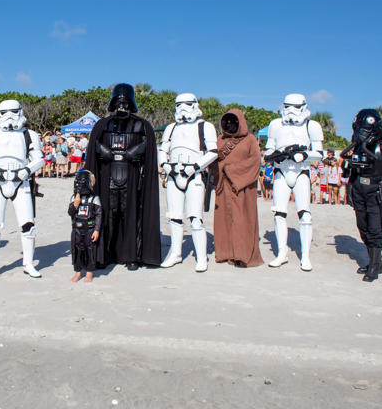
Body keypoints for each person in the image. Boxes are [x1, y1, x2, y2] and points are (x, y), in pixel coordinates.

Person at [85, 83, 161, 270]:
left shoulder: (142, 126)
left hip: (132, 176)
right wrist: (103, 150)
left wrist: (134, 152)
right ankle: (104, 254)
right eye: (119, 101)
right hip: (107, 177)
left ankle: (131, 255)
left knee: (130, 215)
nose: (122, 105)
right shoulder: (102, 125)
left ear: (131, 103)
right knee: (107, 216)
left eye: (125, 102)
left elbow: (148, 148)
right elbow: (93, 147)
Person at [0, 100, 45, 281]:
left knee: (28, 224)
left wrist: (26, 171)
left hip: (21, 181)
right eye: (5, 112)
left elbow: (39, 158)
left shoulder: (29, 134)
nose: (10, 116)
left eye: (14, 111)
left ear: (20, 111)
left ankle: (28, 263)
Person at [157, 93, 218, 271]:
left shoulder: (205, 126)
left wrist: (197, 166)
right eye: (179, 105)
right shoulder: (171, 128)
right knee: (174, 217)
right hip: (173, 174)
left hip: (195, 175)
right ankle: (175, 253)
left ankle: (201, 257)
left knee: (196, 218)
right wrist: (164, 165)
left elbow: (213, 151)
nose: (183, 108)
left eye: (187, 104)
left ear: (195, 105)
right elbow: (163, 148)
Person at [264, 94, 324, 271]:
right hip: (281, 171)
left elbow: (318, 153)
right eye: (287, 106)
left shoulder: (311, 126)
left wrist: (304, 155)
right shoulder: (276, 124)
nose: (291, 111)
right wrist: (272, 155)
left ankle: (305, 256)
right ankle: (281, 253)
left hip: (301, 172)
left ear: (304, 107)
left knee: (304, 214)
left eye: (295, 107)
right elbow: (269, 147)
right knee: (279, 213)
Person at [340, 109, 382, 282]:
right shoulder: (357, 146)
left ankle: (374, 265)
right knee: (363, 226)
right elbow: (350, 171)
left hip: (376, 190)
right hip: (359, 189)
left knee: (374, 229)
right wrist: (350, 184)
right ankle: (375, 261)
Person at [212, 109, 263, 267]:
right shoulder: (220, 139)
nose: (230, 125)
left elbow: (255, 161)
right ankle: (226, 253)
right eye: (226, 122)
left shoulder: (250, 140)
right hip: (223, 187)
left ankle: (243, 255)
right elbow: (213, 160)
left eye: (233, 122)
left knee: (242, 220)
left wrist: (232, 171)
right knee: (224, 220)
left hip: (242, 187)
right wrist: (218, 173)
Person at [68, 170, 102, 283]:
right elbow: (70, 212)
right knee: (76, 250)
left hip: (90, 229)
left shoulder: (94, 198)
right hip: (77, 229)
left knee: (90, 250)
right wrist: (75, 204)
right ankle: (78, 272)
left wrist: (97, 230)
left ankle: (89, 272)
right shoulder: (74, 198)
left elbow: (98, 215)